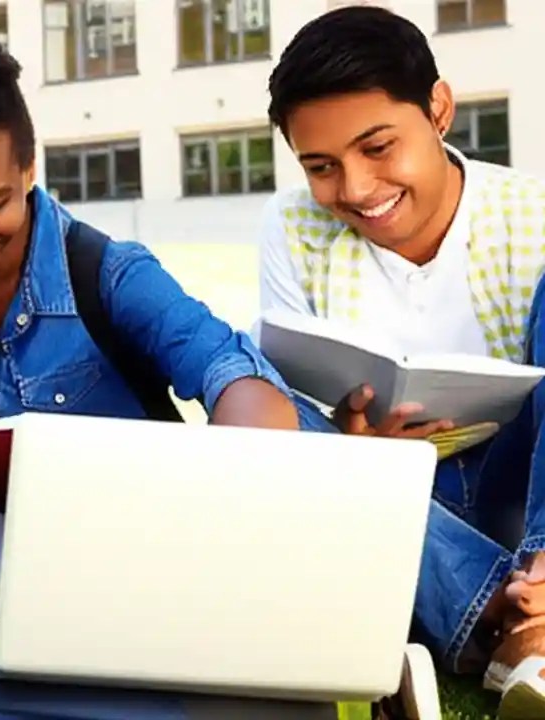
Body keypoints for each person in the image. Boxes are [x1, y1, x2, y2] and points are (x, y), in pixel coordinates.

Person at [0, 26, 303, 674]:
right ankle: (114, 620)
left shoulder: (108, 271)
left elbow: (225, 365)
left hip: (138, 537)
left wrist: (239, 477)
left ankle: (6, 626)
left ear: (28, 171)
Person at [259, 6, 545, 715]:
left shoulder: (531, 212)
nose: (354, 190)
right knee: (254, 397)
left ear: (439, 110)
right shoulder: (294, 226)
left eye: (378, 148)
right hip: (390, 499)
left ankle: (537, 585)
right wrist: (352, 450)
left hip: (522, 493)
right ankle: (514, 628)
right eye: (321, 167)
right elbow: (288, 413)